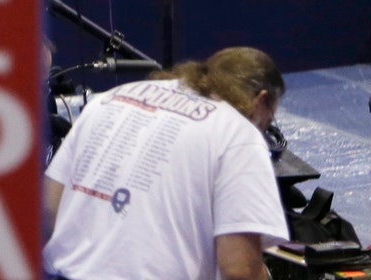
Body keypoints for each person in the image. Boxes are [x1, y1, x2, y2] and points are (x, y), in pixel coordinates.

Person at [44, 47, 288, 280]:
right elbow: (239, 270)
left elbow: (47, 211)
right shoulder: (239, 134)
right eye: (268, 119)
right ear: (261, 100)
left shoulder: (110, 99)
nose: (264, 128)